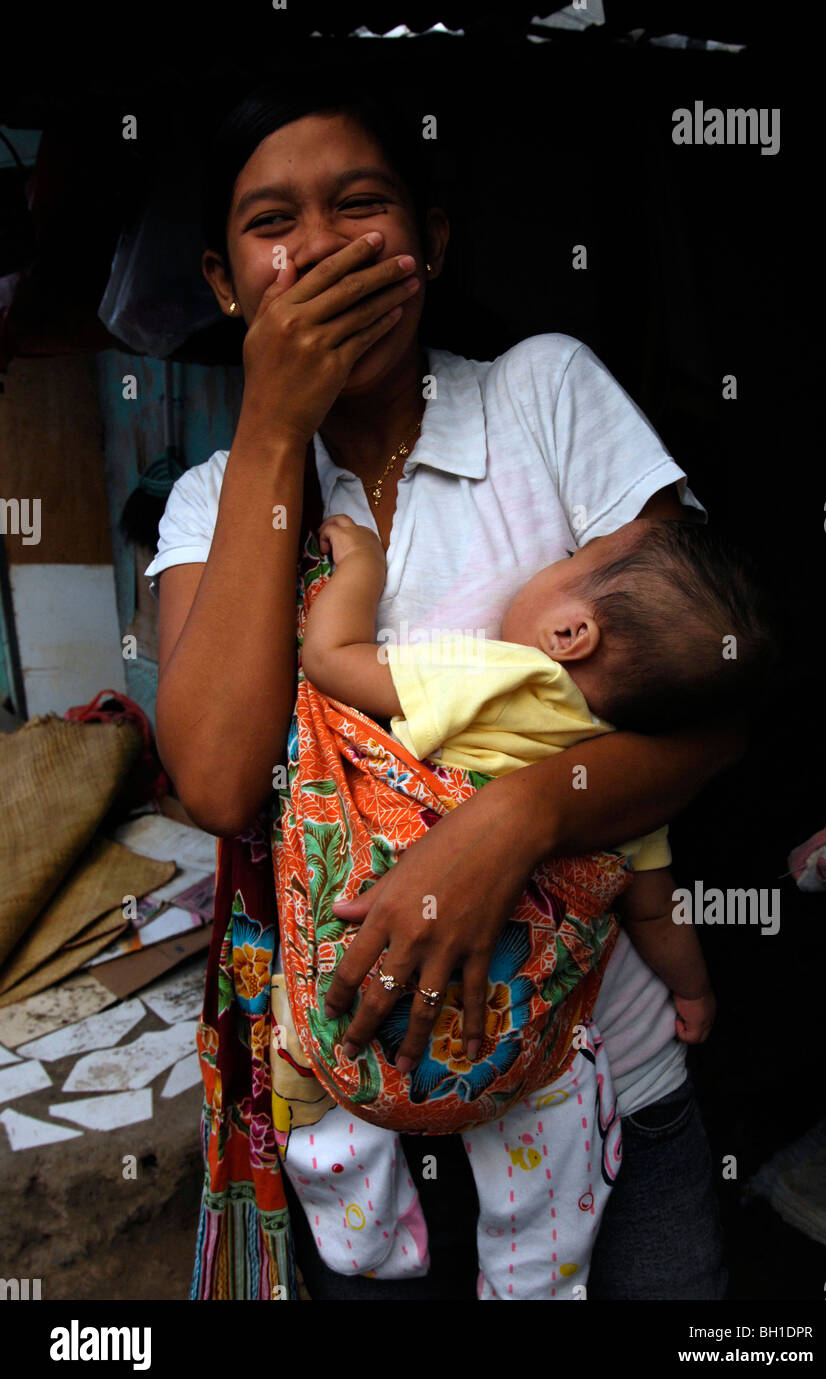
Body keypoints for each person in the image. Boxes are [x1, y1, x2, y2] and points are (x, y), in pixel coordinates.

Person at [145, 80, 743, 1300]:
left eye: (358, 205)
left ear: (432, 240)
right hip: (358, 1125)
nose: (315, 246)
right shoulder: (215, 501)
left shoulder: (545, 394)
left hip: (599, 1091)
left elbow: (712, 703)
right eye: (272, 224)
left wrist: (508, 822)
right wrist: (271, 430)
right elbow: (214, 779)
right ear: (223, 282)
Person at [273, 511, 776, 1298]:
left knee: (318, 1041)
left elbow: (332, 661)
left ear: (570, 634)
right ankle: (531, 1275)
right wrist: (693, 990)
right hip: (509, 1029)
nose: (554, 558)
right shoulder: (619, 778)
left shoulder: (508, 676)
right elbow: (651, 907)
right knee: (542, 1137)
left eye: (573, 557)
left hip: (375, 955)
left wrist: (361, 566)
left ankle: (359, 1229)